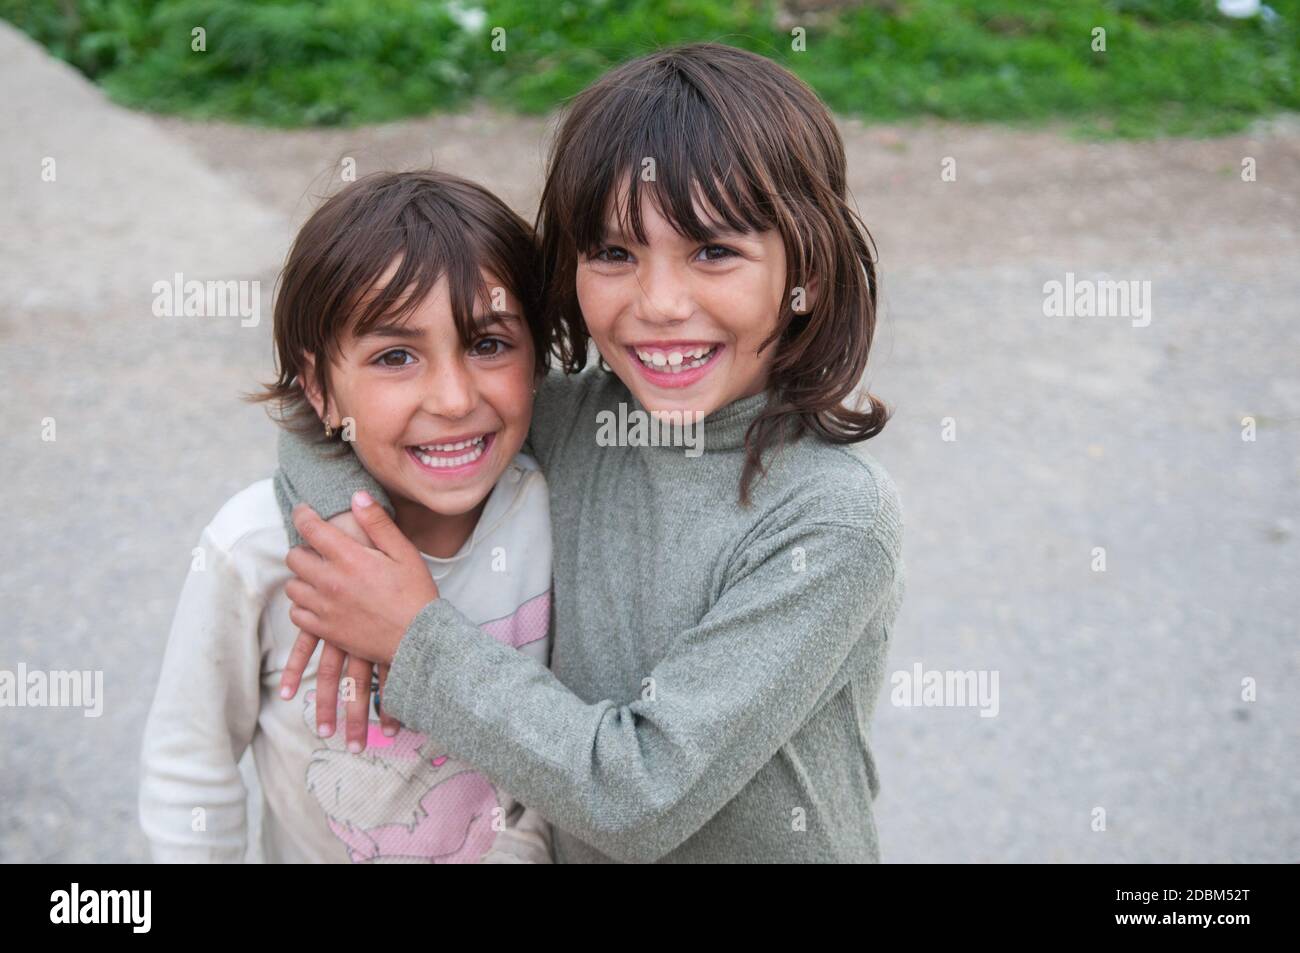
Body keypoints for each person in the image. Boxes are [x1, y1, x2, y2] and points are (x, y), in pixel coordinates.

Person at [278, 43, 906, 863]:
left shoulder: (832, 518)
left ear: (808, 273)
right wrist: (352, 556)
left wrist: (405, 632)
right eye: (613, 253)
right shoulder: (575, 414)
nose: (659, 303)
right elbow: (319, 417)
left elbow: (636, 795)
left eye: (713, 250)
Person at [139, 170, 556, 863]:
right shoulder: (256, 549)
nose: (453, 398)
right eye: (396, 356)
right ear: (319, 390)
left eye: (488, 344)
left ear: (539, 356)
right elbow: (192, 764)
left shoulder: (555, 512)